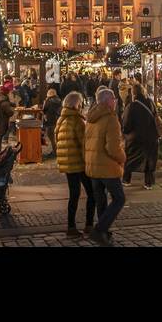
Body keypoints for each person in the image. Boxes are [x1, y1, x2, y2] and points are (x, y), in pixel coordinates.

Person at [84, 88, 126, 246]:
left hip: (93, 166)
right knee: (119, 199)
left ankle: (103, 231)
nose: (115, 101)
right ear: (108, 101)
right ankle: (100, 229)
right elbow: (113, 148)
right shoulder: (110, 118)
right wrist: (123, 158)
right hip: (107, 166)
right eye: (114, 99)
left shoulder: (91, 117)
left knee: (101, 200)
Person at [54, 91, 95, 237]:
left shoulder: (61, 119)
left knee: (74, 195)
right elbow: (84, 144)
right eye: (80, 103)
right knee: (92, 194)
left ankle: (71, 226)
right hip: (79, 163)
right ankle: (89, 225)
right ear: (76, 104)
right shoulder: (77, 121)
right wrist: (89, 162)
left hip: (67, 163)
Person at [121, 83, 160, 188]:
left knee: (129, 159)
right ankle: (149, 182)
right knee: (149, 160)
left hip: (136, 138)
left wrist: (125, 132)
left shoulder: (131, 106)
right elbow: (156, 116)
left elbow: (126, 124)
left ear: (134, 93)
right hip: (152, 137)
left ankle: (126, 179)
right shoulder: (151, 103)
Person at [41, 87, 61, 152]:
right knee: (56, 136)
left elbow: (44, 110)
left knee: (51, 137)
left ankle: (55, 151)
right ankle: (57, 150)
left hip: (50, 120)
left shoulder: (48, 100)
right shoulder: (58, 100)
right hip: (57, 120)